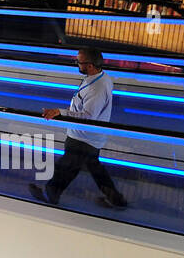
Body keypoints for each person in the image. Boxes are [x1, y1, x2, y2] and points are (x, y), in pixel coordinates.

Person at [29, 47, 128, 209]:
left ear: (90, 65)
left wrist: (59, 112)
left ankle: (51, 194)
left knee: (66, 167)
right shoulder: (99, 78)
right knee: (94, 168)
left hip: (83, 137)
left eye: (79, 62)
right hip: (88, 136)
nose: (77, 64)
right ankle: (116, 199)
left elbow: (88, 116)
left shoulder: (98, 88)